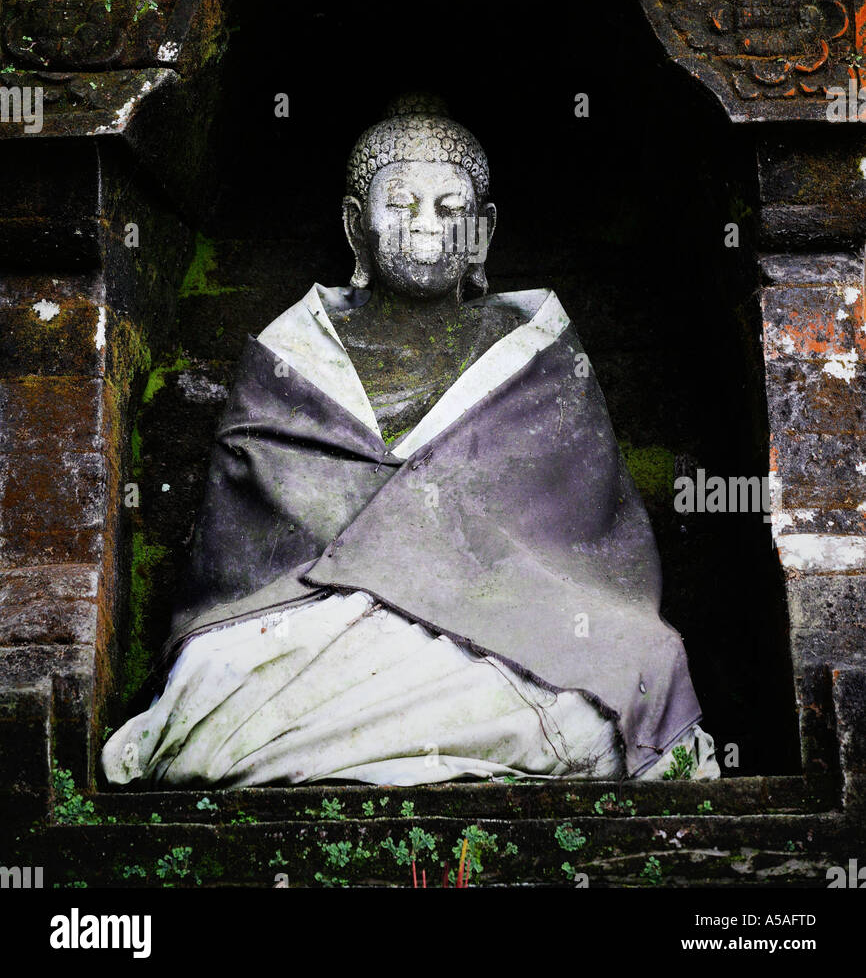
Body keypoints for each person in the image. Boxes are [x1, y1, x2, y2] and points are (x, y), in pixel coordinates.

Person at [102, 95, 718, 787]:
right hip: (322, 616)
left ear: (483, 233)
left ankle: (353, 740)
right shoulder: (291, 357)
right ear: (354, 227)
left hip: (504, 616)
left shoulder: (539, 355)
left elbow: (581, 545)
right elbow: (250, 556)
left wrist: (443, 564)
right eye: (400, 205)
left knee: (638, 658)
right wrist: (380, 568)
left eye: (451, 210)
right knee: (214, 674)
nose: (426, 228)